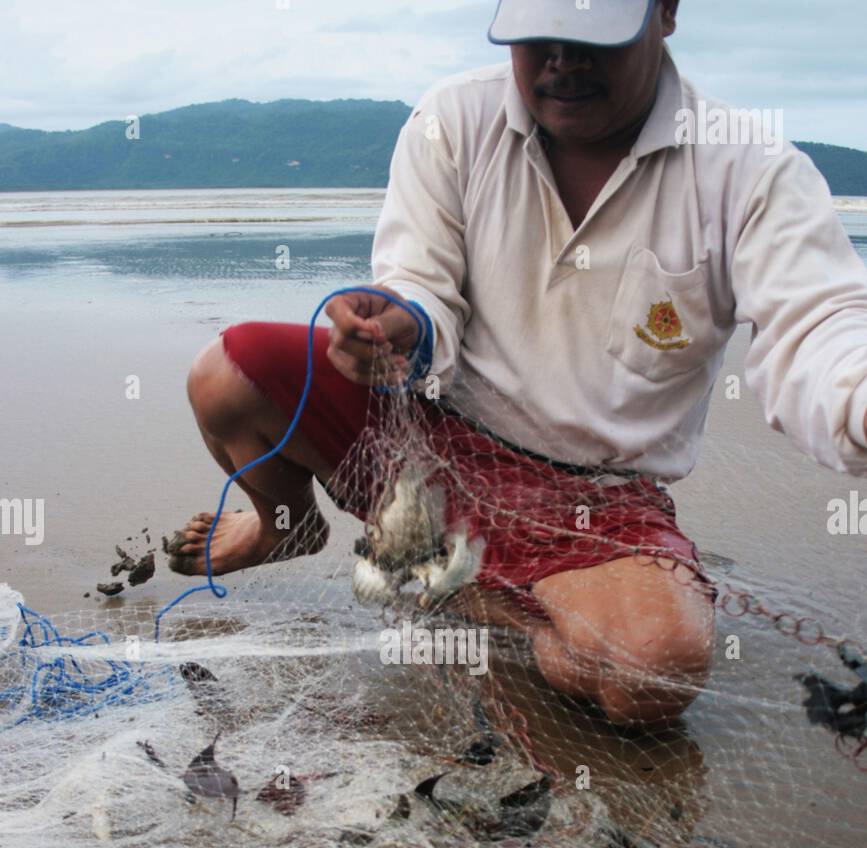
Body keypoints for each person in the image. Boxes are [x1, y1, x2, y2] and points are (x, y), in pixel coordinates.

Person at [167, 0, 867, 725]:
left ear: (665, 12)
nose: (561, 62)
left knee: (652, 673)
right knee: (227, 371)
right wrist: (400, 323)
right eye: (539, 38)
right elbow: (419, 279)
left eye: (590, 38)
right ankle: (286, 525)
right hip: (428, 436)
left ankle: (469, 587)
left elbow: (819, 324)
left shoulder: (752, 170)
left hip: (597, 501)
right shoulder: (450, 119)